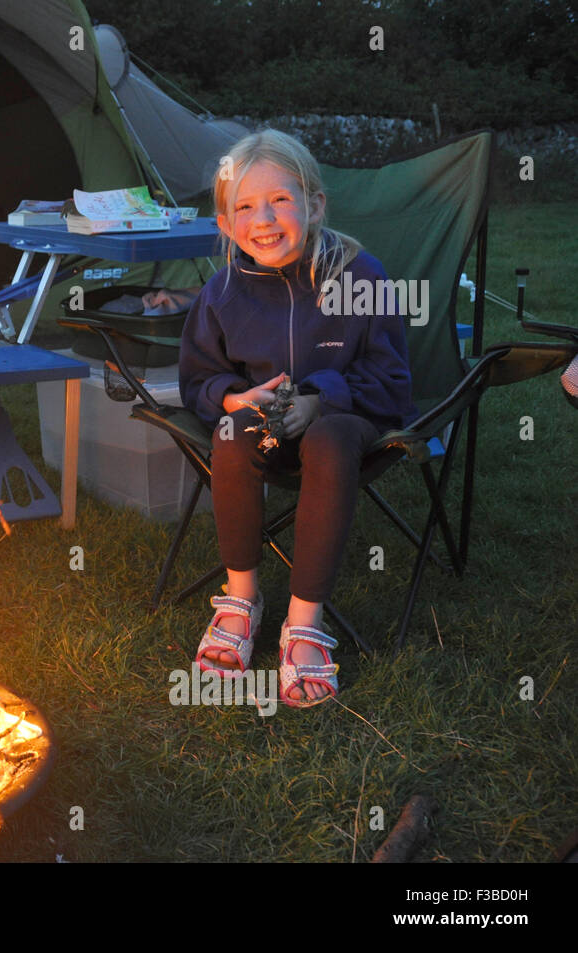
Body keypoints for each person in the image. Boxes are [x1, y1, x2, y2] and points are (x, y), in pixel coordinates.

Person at [179, 129, 414, 708]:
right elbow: (198, 380)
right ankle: (242, 599)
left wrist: (321, 398)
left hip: (348, 419)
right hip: (265, 426)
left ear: (314, 204)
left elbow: (392, 382)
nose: (264, 218)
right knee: (231, 433)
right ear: (226, 224)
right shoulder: (222, 292)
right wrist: (234, 398)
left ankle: (303, 619)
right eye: (245, 206)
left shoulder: (361, 277)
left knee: (330, 440)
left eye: (281, 200)